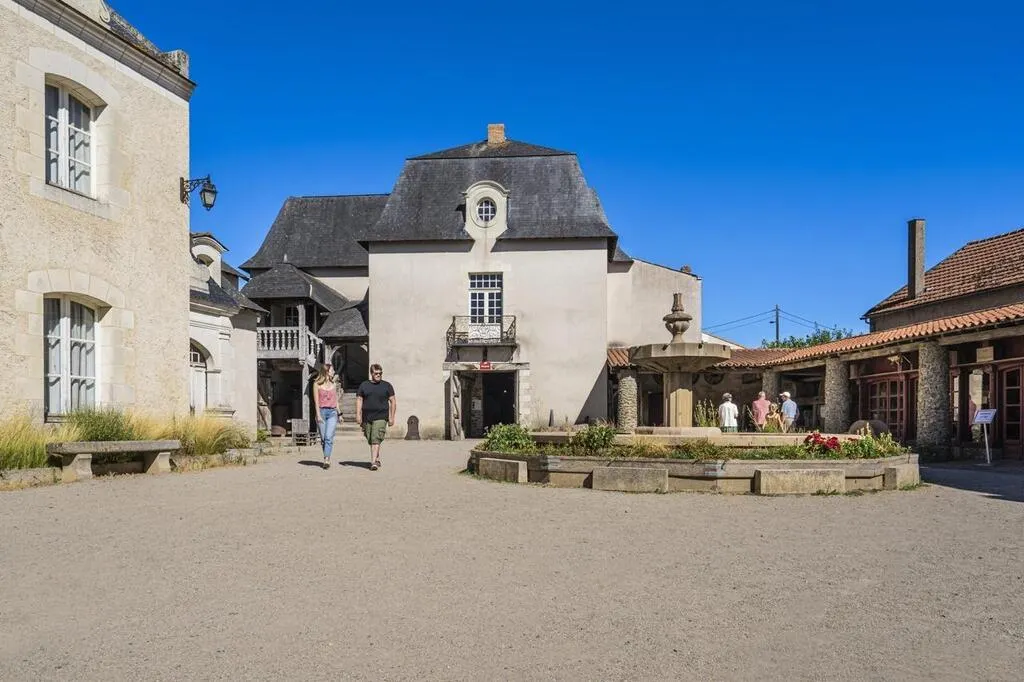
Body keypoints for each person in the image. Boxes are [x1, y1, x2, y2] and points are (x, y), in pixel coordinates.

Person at [356, 363, 396, 471]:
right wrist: (358, 415)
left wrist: (392, 417)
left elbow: (393, 401)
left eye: (380, 373)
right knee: (370, 438)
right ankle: (377, 458)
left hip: (381, 416)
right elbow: (359, 399)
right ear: (371, 373)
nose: (378, 375)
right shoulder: (364, 385)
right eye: (376, 373)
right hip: (367, 417)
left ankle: (373, 462)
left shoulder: (387, 386)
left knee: (375, 438)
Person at [313, 361, 340, 469]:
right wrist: (318, 415)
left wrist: (339, 413)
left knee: (329, 437)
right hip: (321, 412)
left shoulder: (334, 384)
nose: (334, 372)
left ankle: (326, 459)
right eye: (332, 370)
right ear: (327, 372)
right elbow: (316, 402)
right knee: (324, 438)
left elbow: (336, 400)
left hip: (332, 412)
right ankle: (326, 455)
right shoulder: (316, 384)